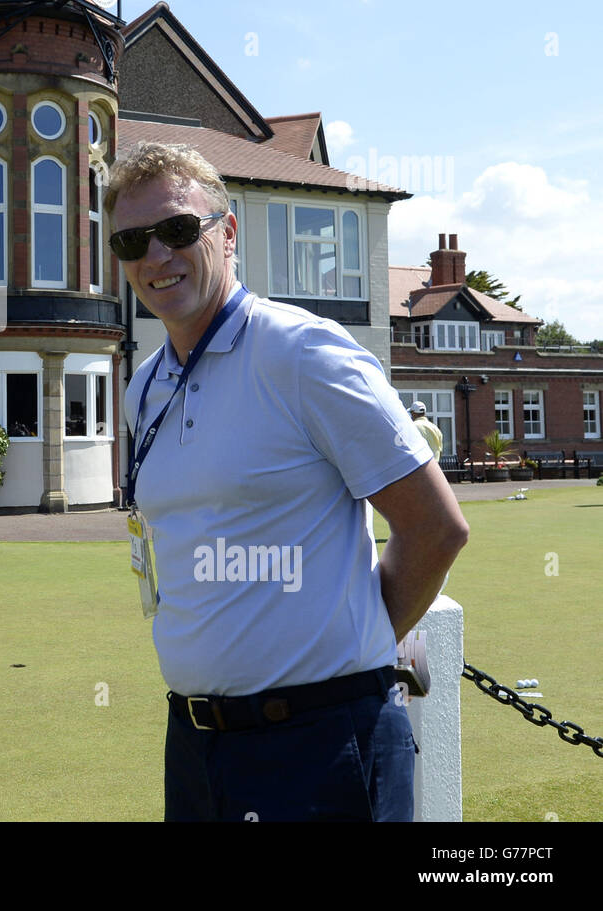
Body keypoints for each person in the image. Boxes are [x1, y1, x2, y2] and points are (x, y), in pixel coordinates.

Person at [106, 142, 468, 822]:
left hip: (321, 743)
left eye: (180, 229)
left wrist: (355, 653)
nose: (156, 255)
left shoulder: (305, 353)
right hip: (193, 744)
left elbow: (436, 526)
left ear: (228, 231)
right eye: (132, 239)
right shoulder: (143, 389)